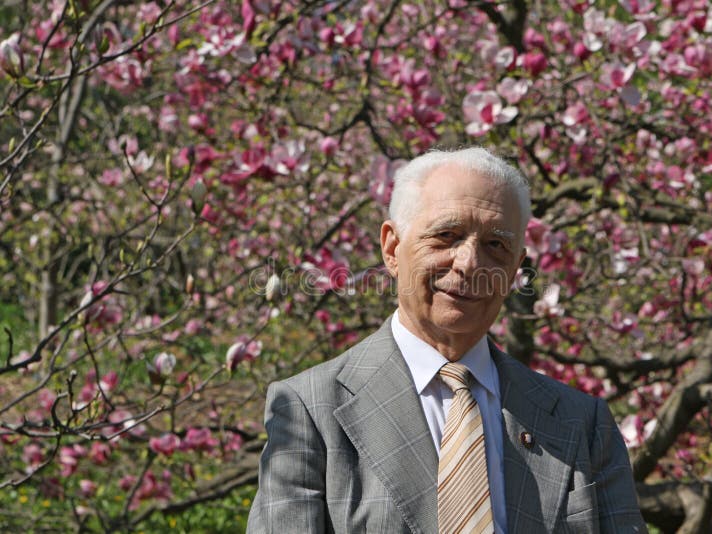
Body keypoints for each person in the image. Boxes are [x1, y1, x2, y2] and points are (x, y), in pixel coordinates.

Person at [247, 147, 647, 533]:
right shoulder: (310, 411)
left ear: (514, 269)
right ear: (392, 248)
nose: (469, 263)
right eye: (447, 235)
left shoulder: (582, 424)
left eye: (496, 245)